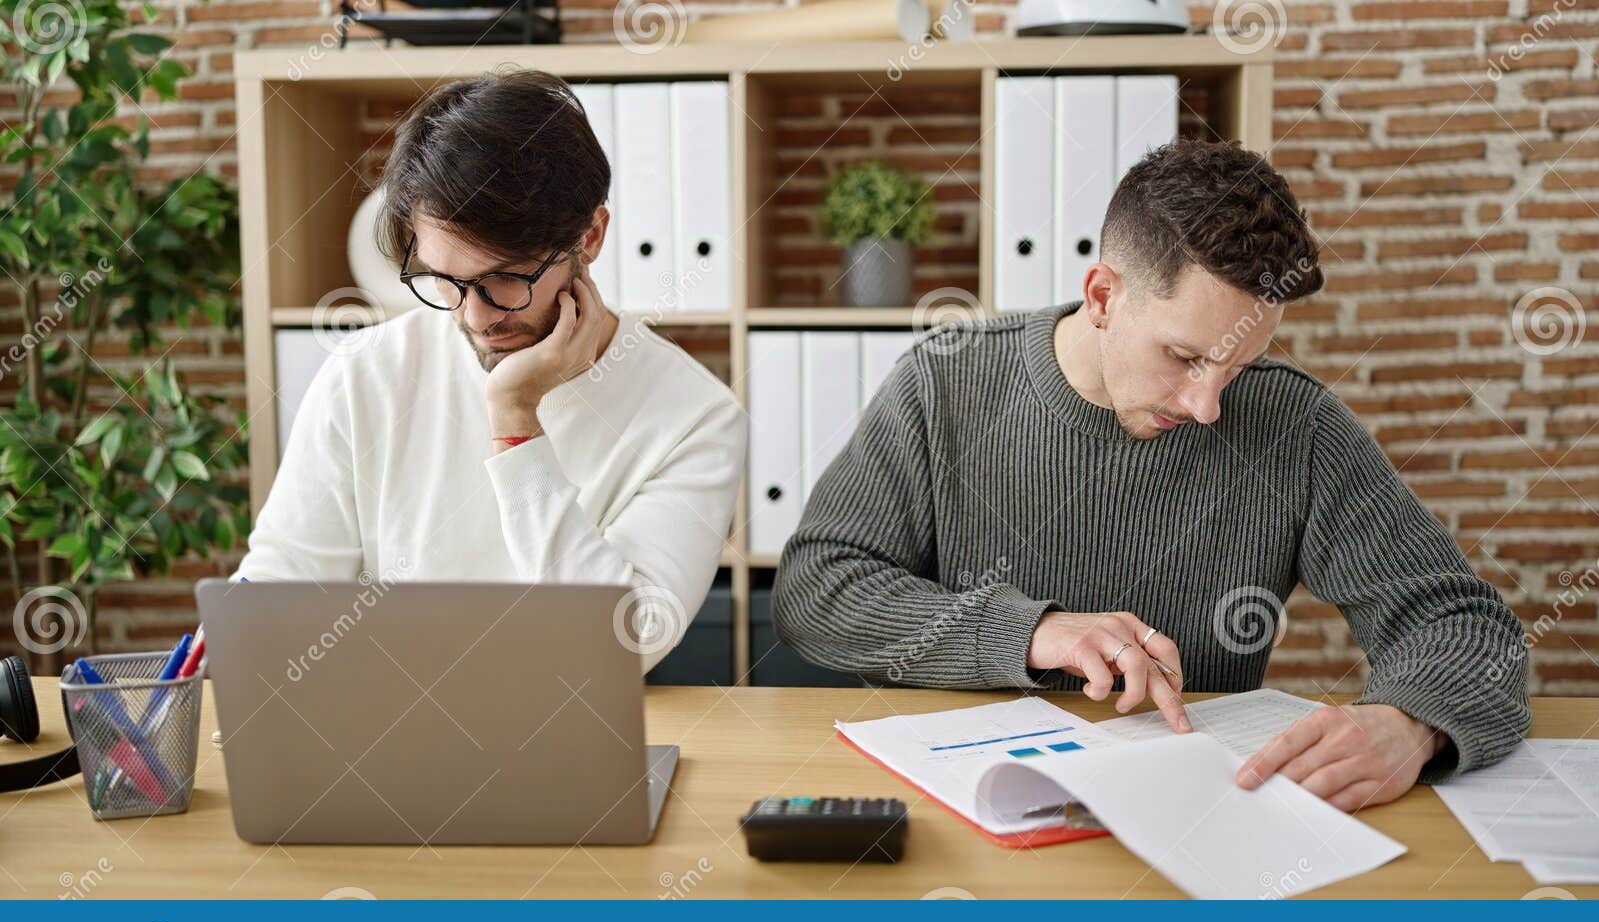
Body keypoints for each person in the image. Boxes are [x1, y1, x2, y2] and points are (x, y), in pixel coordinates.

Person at [772, 138, 1529, 810]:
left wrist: (1413, 725)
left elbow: (1468, 628)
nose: (1207, 406)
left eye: (1239, 364)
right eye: (1185, 357)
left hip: (1197, 819)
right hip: (967, 817)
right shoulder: (945, 384)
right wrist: (1029, 631)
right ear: (1103, 296)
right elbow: (817, 590)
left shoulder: (1294, 428)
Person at [236, 69, 746, 667]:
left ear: (591, 237)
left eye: (505, 277)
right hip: (386, 740)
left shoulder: (696, 418)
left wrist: (515, 418)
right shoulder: (364, 376)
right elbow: (277, 591)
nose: (475, 315)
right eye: (445, 280)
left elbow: (624, 644)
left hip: (570, 739)